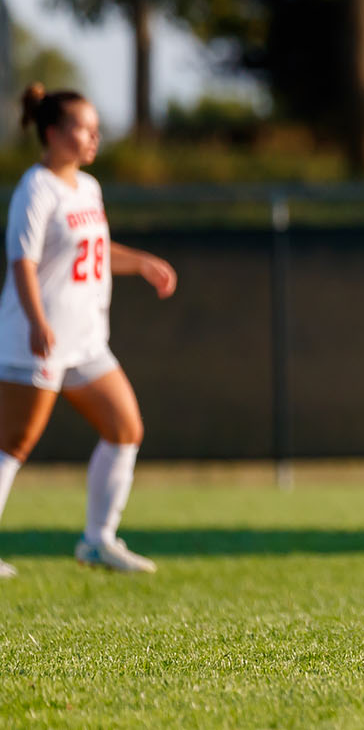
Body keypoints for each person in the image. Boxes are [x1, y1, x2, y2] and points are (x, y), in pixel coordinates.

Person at [0, 84, 177, 577]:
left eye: (97, 128)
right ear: (53, 133)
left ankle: (97, 541)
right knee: (13, 444)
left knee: (124, 429)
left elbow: (91, 252)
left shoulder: (88, 187)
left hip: (84, 341)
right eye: (83, 127)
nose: (94, 136)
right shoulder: (37, 188)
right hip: (37, 339)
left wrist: (140, 262)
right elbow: (22, 262)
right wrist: (37, 322)